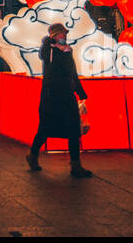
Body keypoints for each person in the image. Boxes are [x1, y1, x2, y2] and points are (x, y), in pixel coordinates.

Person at [27, 23, 91, 177]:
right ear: (54, 35)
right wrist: (51, 43)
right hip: (52, 96)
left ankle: (76, 165)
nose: (64, 36)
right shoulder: (49, 49)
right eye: (61, 33)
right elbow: (45, 56)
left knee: (74, 130)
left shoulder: (68, 51)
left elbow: (72, 74)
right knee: (45, 129)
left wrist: (80, 92)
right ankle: (33, 156)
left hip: (67, 96)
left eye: (65, 33)